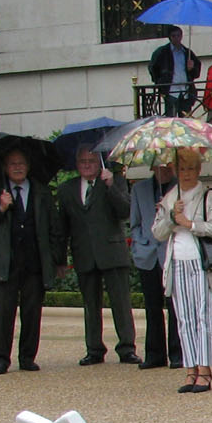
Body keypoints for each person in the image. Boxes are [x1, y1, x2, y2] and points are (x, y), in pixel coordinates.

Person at [0, 141, 64, 374]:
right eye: (12, 163)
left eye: (21, 163)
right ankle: (0, 359)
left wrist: (57, 259)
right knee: (3, 313)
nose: (17, 167)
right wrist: (0, 209)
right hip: (5, 262)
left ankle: (27, 357)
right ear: (4, 167)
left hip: (34, 262)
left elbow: (55, 228)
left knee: (32, 312)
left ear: (28, 165)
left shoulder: (42, 191)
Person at [152, 147, 212, 393]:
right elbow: (158, 232)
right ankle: (190, 368)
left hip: (201, 263)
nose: (186, 173)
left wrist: (191, 224)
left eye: (190, 168)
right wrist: (171, 219)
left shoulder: (208, 196)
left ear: (198, 170)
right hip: (177, 262)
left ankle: (205, 369)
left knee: (203, 316)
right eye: (182, 168)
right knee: (183, 317)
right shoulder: (169, 197)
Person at [57, 142, 139, 366]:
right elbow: (61, 227)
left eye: (91, 161)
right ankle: (94, 349)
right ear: (76, 164)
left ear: (100, 161)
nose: (87, 165)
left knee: (121, 303)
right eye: (82, 162)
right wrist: (61, 260)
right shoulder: (66, 189)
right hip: (84, 253)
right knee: (90, 305)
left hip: (112, 251)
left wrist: (111, 185)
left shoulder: (114, 181)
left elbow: (125, 211)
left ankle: (127, 348)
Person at [129, 160, 181, 369]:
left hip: (172, 253)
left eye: (168, 165)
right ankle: (154, 354)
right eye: (159, 165)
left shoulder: (180, 188)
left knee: (175, 307)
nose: (163, 169)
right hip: (148, 254)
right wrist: (139, 246)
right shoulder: (139, 189)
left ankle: (177, 354)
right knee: (152, 307)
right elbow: (135, 222)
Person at [147, 26, 200, 116]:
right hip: (171, 90)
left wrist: (191, 69)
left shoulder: (187, 53)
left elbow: (196, 72)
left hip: (185, 90)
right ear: (170, 37)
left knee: (185, 118)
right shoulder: (162, 52)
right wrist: (160, 82)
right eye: (173, 36)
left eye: (178, 36)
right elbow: (153, 68)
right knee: (171, 118)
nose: (176, 38)